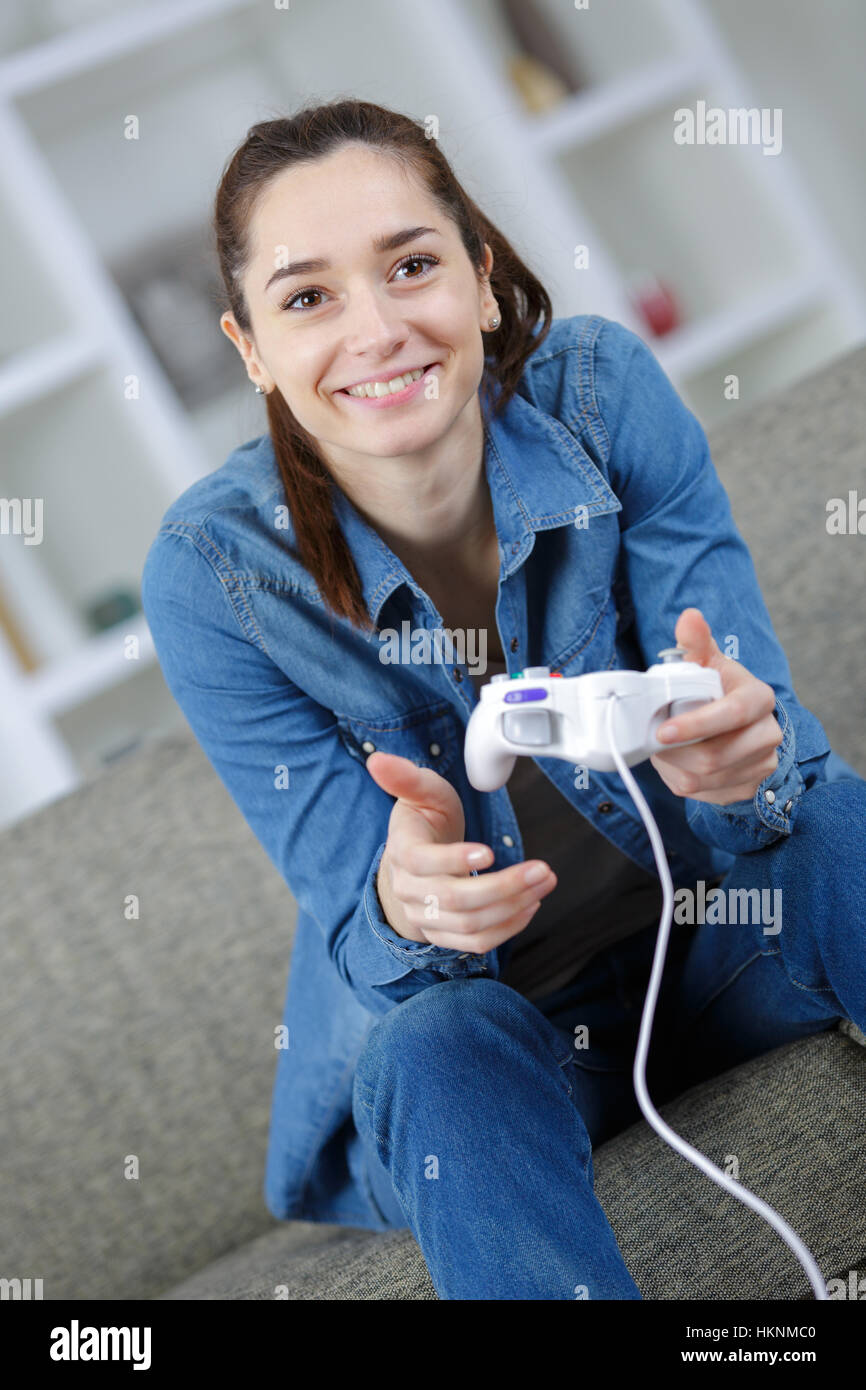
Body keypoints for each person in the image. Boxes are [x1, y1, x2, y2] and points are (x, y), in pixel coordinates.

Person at [141, 98, 866, 1301]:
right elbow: (362, 939)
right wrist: (408, 900)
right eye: (307, 296)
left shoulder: (597, 392)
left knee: (841, 818)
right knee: (438, 1046)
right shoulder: (215, 573)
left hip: (710, 956)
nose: (376, 330)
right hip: (497, 1041)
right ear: (251, 349)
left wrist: (750, 757)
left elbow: (774, 776)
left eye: (412, 265)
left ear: (480, 279)